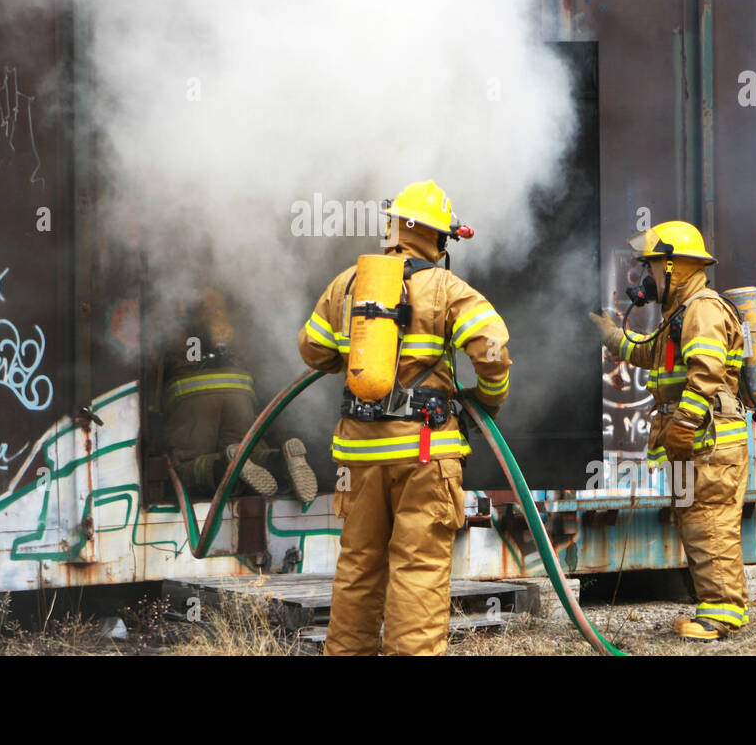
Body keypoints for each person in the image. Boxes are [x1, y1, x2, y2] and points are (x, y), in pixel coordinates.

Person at [297, 180, 511, 655]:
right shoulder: (446, 287)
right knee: (417, 570)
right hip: (424, 453)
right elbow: (493, 348)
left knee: (357, 567)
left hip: (359, 457)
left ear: (393, 227)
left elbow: (313, 350)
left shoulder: (348, 283)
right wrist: (487, 402)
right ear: (438, 239)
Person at [590, 220, 750, 641]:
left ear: (675, 267)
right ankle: (710, 604)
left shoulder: (703, 309)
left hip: (705, 440)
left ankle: (722, 613)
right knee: (691, 518)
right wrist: (607, 334)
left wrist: (682, 424)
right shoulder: (678, 314)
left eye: (653, 266)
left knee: (710, 519)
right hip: (685, 443)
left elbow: (707, 373)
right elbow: (647, 353)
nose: (648, 276)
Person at [159, 286, 317, 504]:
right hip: (240, 390)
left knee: (188, 466)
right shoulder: (230, 306)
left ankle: (226, 464)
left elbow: (156, 369)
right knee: (248, 450)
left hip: (192, 395)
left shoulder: (182, 299)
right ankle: (281, 461)